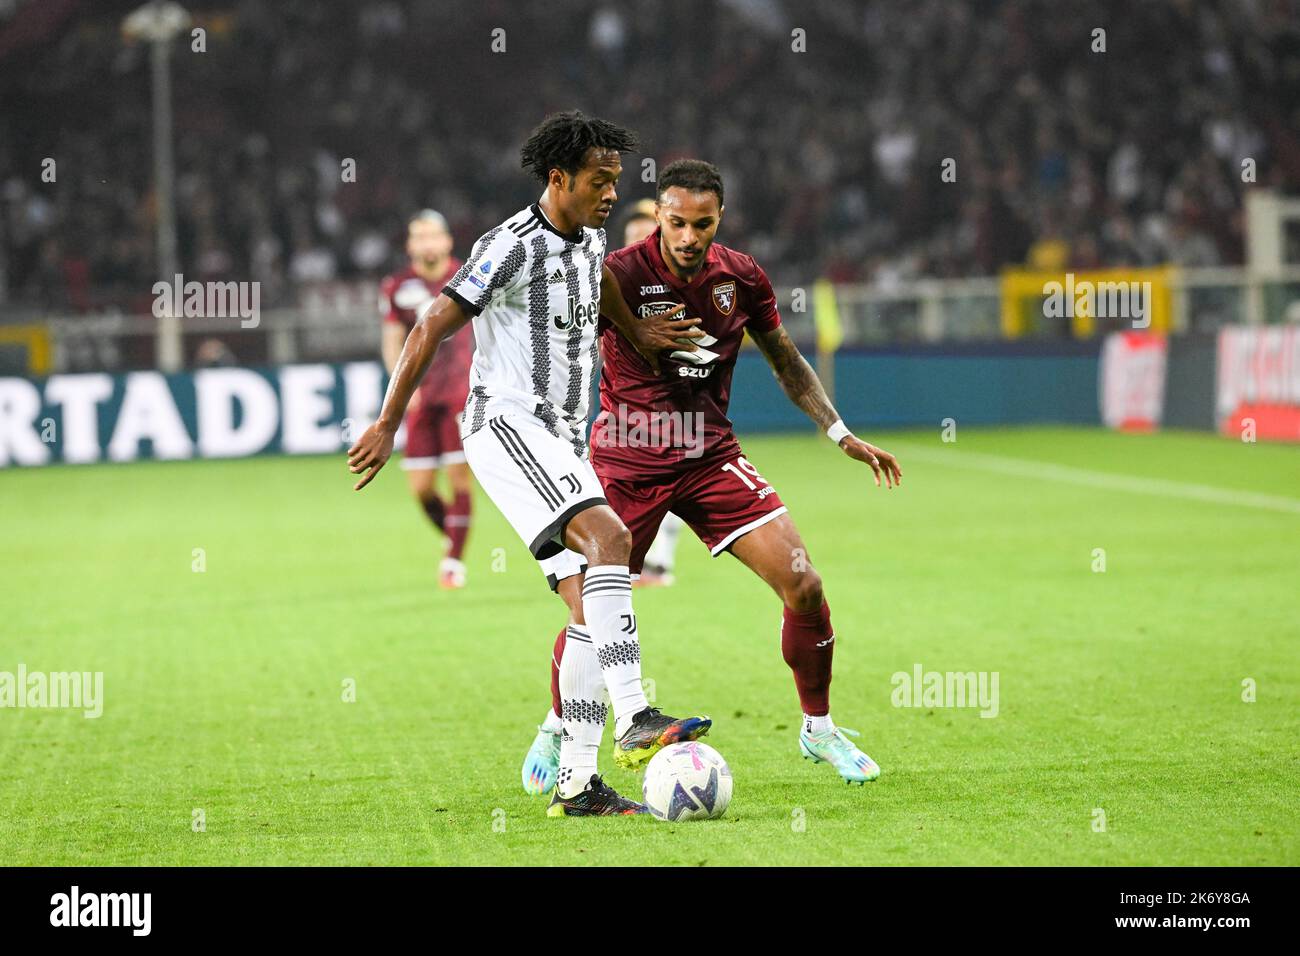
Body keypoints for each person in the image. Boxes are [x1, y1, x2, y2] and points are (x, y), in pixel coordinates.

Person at [348, 112, 713, 817]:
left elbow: (600, 283)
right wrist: (389, 420)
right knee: (613, 541)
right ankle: (635, 716)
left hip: (560, 440)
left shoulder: (589, 240)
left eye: (616, 181)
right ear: (558, 178)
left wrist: (636, 330)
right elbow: (431, 321)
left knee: (587, 606)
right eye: (600, 182)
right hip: (509, 426)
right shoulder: (509, 247)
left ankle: (578, 783)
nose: (612, 194)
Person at [522, 160, 901, 795]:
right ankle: (558, 724)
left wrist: (839, 432)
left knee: (803, 581)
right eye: (677, 223)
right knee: (590, 615)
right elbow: (554, 349)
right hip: (627, 458)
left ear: (718, 219)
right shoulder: (616, 274)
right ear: (659, 217)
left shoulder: (742, 276)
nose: (689, 236)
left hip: (708, 455)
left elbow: (784, 358)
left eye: (702, 223)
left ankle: (819, 726)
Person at [378, 210, 472, 588]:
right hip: (421, 395)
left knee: (458, 478)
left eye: (434, 236)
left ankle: (453, 562)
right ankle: (455, 533)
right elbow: (391, 343)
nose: (428, 243)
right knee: (421, 488)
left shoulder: (470, 275)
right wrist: (403, 385)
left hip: (460, 394)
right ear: (410, 245)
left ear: (447, 242)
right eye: (420, 237)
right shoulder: (397, 287)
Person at [620, 198, 684, 588]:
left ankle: (660, 563)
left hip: (674, 400)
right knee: (628, 480)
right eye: (631, 235)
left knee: (673, 476)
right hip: (626, 401)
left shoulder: (680, 283)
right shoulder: (612, 279)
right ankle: (632, 562)